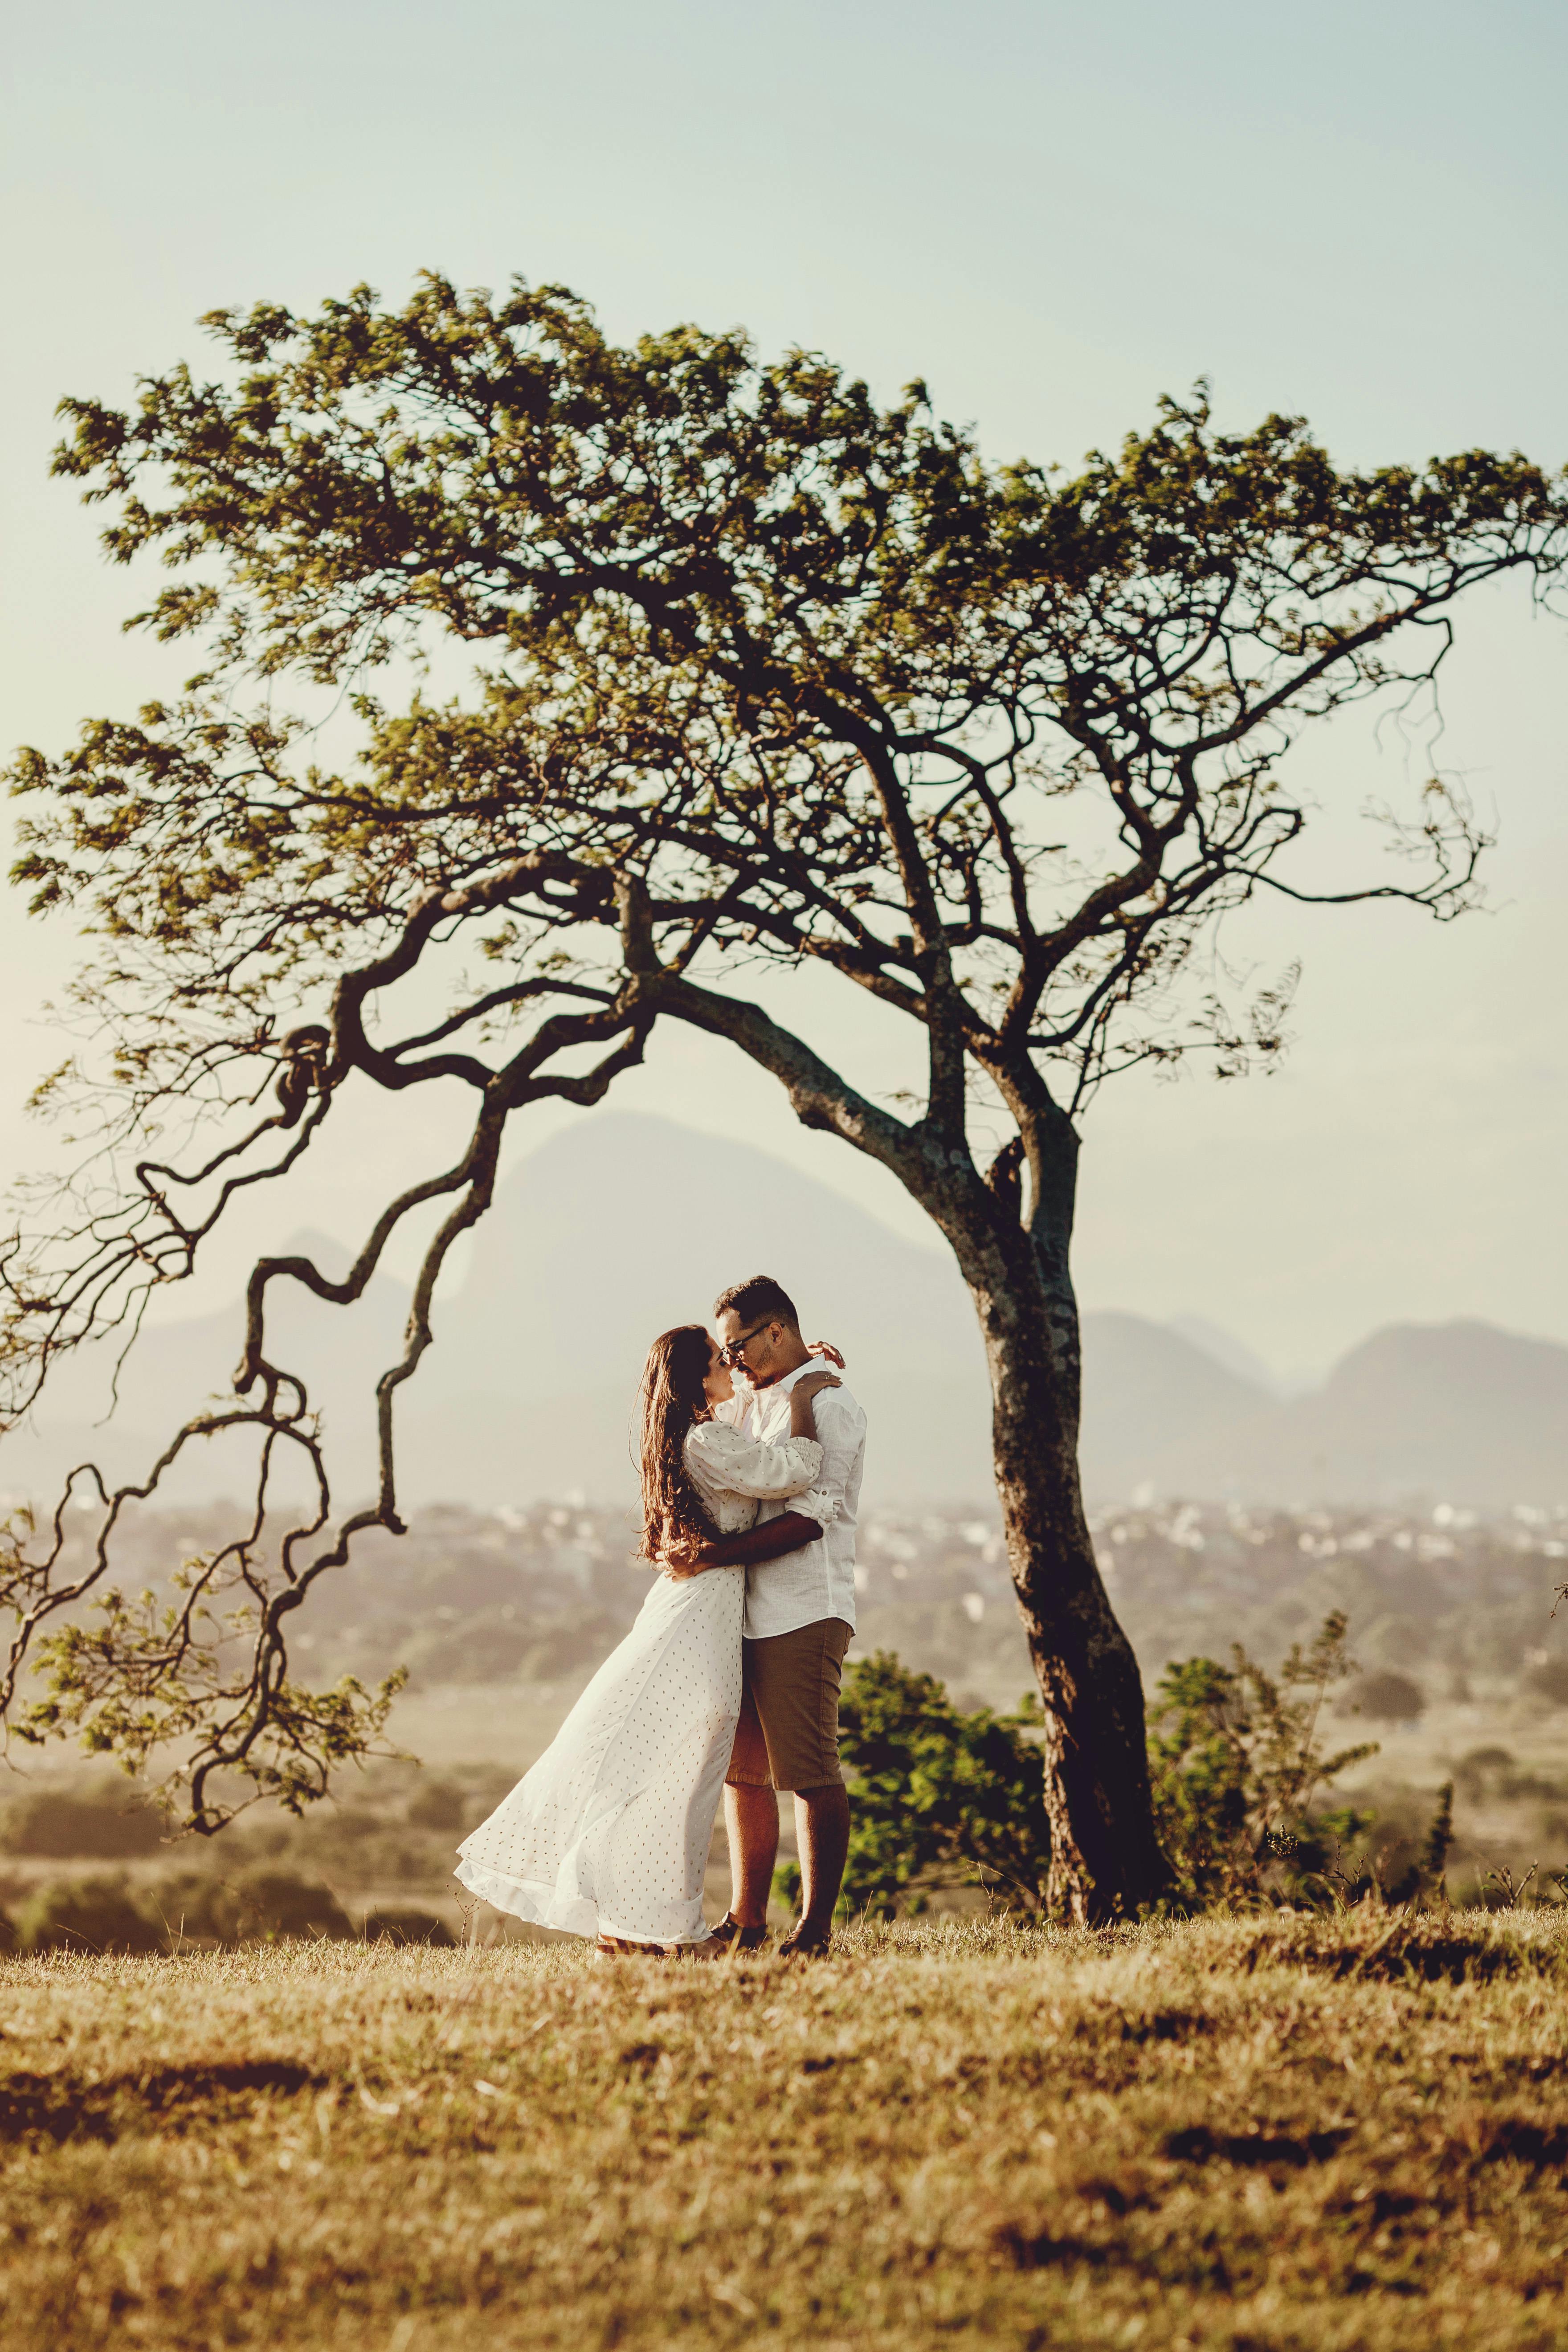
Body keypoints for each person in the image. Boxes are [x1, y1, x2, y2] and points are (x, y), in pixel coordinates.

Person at [453, 1323, 841, 1956]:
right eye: (722, 1360)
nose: (734, 1368)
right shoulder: (710, 1440)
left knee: (686, 1768)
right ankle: (660, 1925)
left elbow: (746, 1407)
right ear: (698, 1380)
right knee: (686, 1764)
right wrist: (806, 1395)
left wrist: (798, 1367)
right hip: (698, 1619)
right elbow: (793, 1467)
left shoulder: (704, 1432)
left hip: (707, 1611)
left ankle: (646, 1925)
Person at [681, 1276, 867, 1961]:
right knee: (746, 1771)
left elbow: (811, 1519)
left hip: (804, 1609)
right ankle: (746, 1923)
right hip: (747, 1612)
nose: (733, 1363)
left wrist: (716, 1556)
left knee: (809, 1770)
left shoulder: (831, 1405)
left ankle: (814, 1933)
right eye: (726, 1353)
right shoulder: (755, 1400)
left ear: (776, 1333)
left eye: (739, 1348)